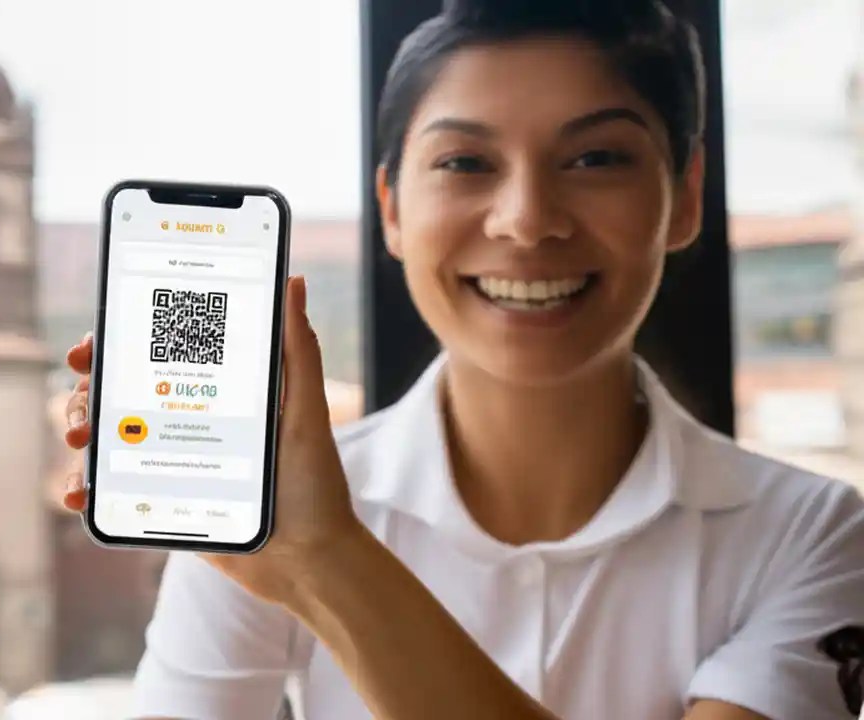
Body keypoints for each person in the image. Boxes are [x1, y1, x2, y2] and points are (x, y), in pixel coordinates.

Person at [59, 1, 864, 718]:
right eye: (465, 163)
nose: (527, 220)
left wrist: (331, 563)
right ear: (392, 210)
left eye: (595, 159)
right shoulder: (257, 522)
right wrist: (304, 546)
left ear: (686, 195)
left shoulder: (815, 537)